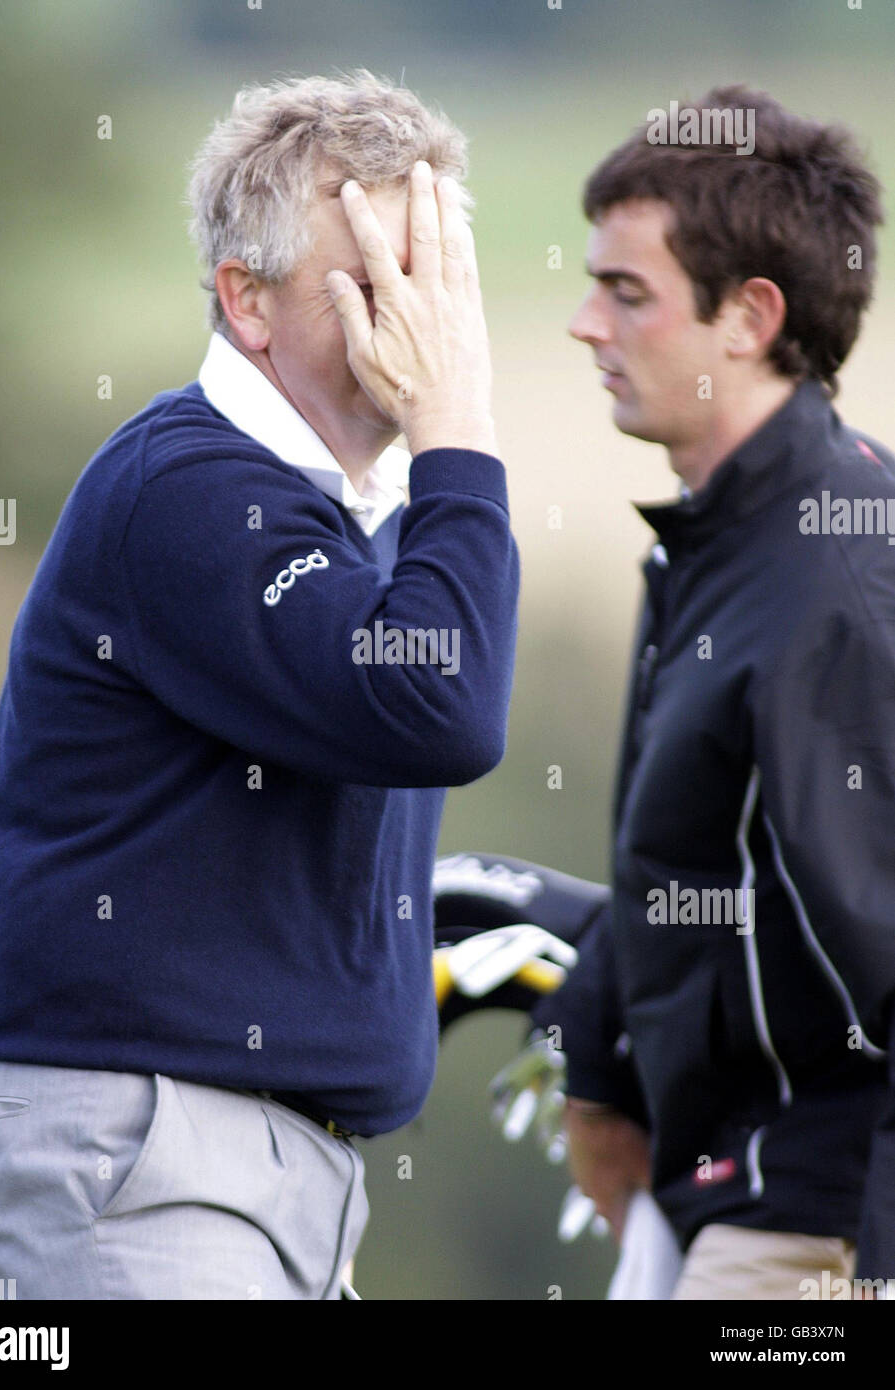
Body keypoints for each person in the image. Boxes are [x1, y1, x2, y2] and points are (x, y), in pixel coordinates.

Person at [0, 71, 519, 1301]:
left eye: (430, 275)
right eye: (369, 276)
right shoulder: (196, 491)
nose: (415, 317)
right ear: (245, 303)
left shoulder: (368, 515)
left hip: (273, 1174)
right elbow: (441, 705)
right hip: (139, 1153)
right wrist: (456, 424)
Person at [506, 85, 895, 1299]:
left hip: (811, 1233)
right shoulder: (723, 541)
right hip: (728, 1204)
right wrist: (591, 1062)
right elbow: (679, 861)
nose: (583, 325)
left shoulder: (835, 583)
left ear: (748, 317)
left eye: (626, 293)